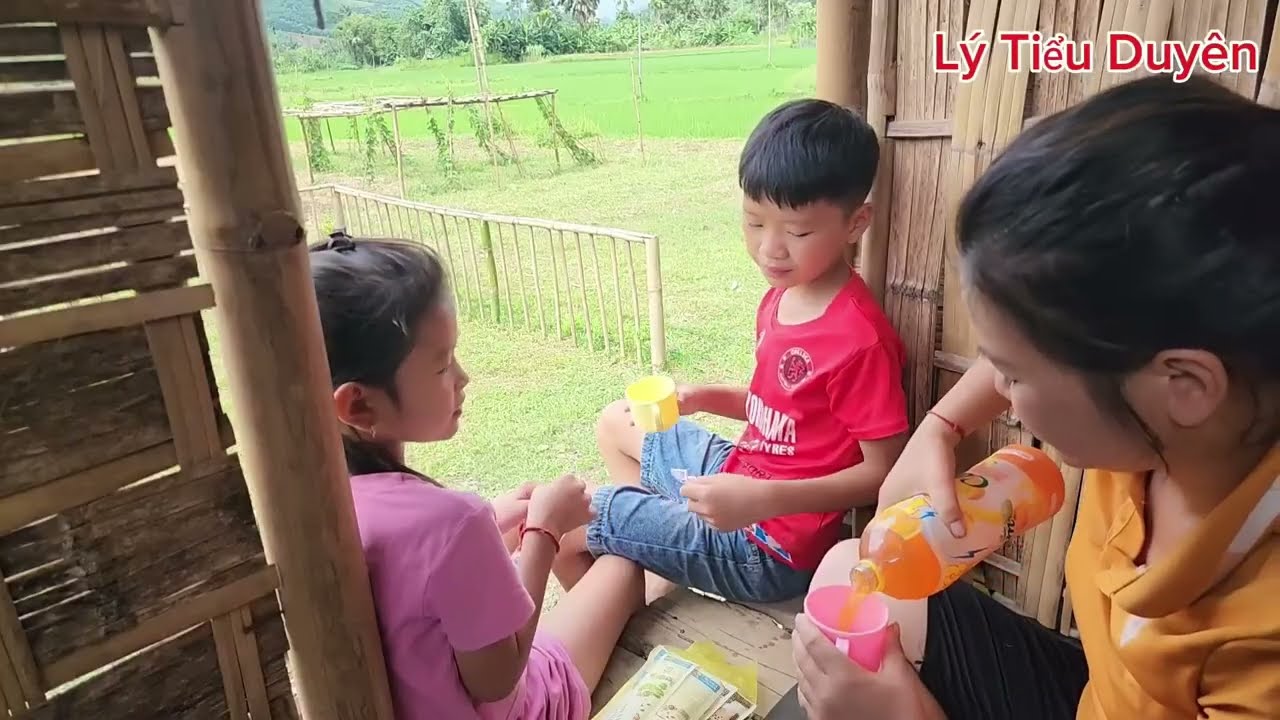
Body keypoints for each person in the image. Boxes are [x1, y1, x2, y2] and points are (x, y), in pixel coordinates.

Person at [791, 74, 1280, 720]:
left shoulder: (1262, 633)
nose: (1000, 394)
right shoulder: (1180, 426)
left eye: (1011, 373)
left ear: (1183, 385)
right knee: (849, 568)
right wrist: (939, 425)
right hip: (1099, 690)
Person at [556, 98, 911, 605]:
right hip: (743, 475)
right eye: (754, 222)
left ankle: (626, 626)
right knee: (619, 422)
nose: (771, 248)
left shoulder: (859, 340)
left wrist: (763, 500)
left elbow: (882, 470)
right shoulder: (782, 295)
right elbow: (785, 410)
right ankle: (655, 558)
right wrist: (704, 396)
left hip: (771, 549)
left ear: (856, 224)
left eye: (798, 231)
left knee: (572, 527)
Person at [308, 232, 645, 720]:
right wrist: (543, 533)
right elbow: (499, 676)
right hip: (519, 705)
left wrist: (492, 525)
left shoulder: (312, 506)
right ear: (358, 403)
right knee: (622, 567)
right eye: (443, 365)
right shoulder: (450, 522)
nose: (463, 377)